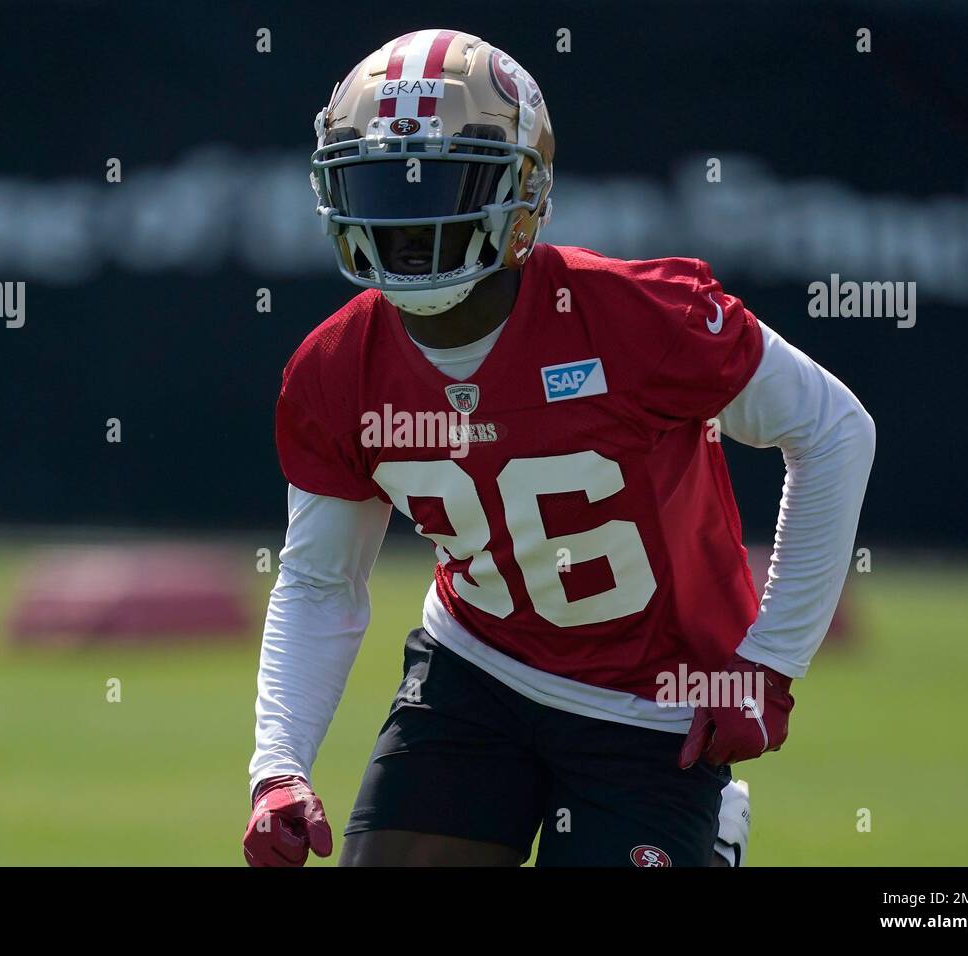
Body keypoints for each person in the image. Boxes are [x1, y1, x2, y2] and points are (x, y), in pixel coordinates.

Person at [243, 29, 874, 867]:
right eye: (381, 183)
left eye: (441, 180)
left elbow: (832, 428)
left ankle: (711, 825)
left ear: (523, 188)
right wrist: (278, 769)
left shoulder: (633, 317)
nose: (408, 220)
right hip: (477, 667)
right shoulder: (335, 369)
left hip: (655, 702)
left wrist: (768, 663)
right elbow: (322, 580)